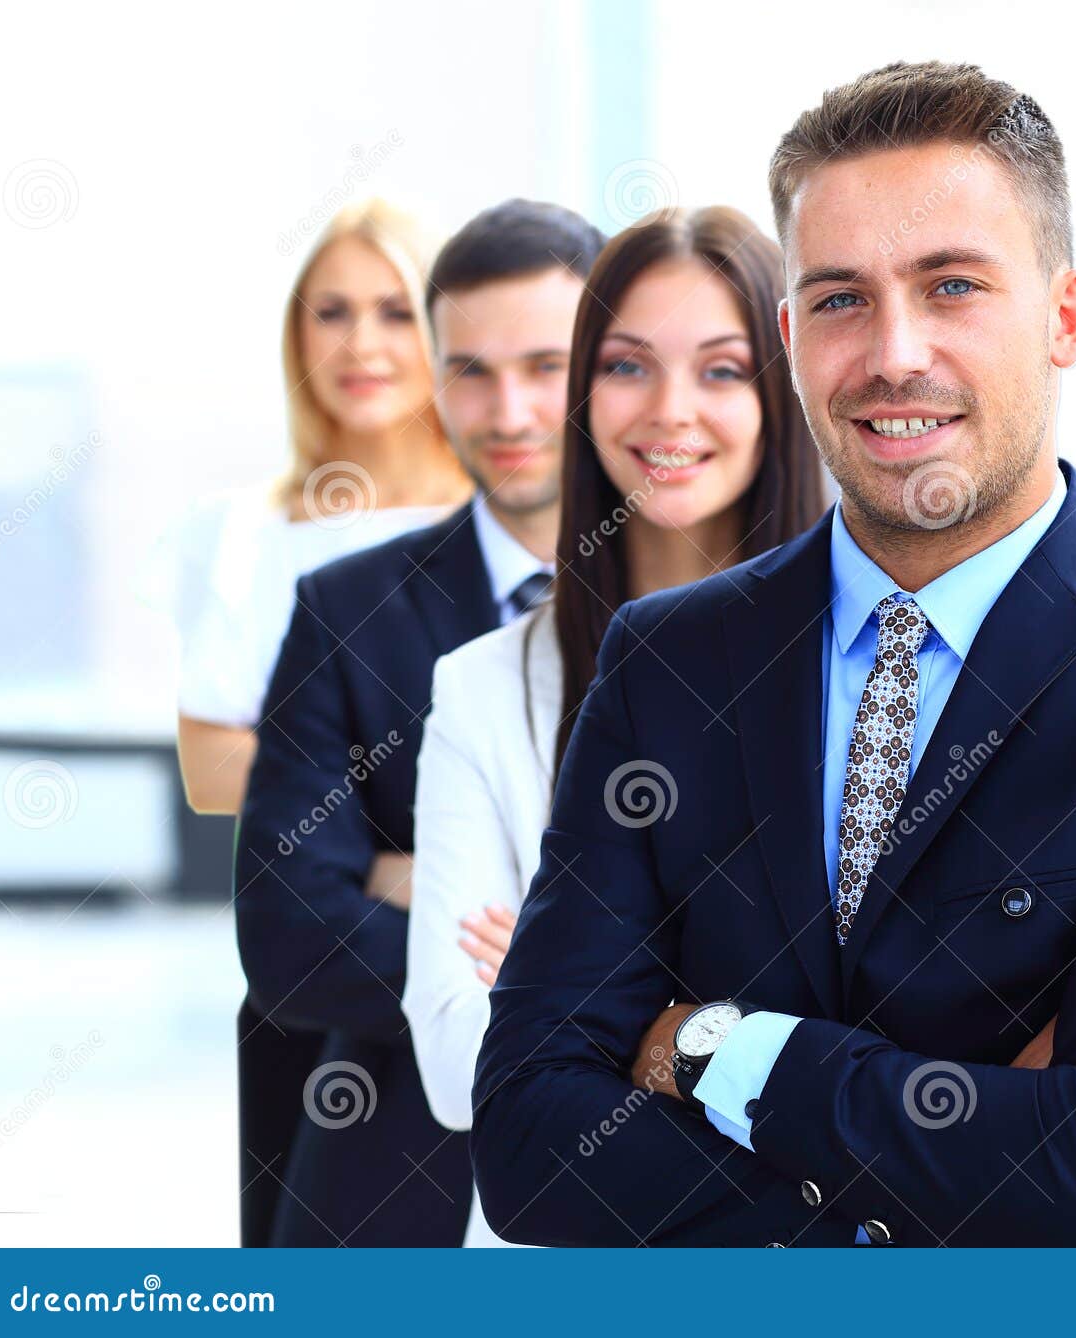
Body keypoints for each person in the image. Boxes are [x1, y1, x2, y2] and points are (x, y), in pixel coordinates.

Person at [471, 61, 1076, 1248]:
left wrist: (719, 1047)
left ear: (1064, 316)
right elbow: (528, 1150)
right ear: (787, 338)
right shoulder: (667, 662)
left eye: (953, 287)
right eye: (837, 300)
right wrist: (980, 1138)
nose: (892, 353)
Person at [401, 206, 827, 1246]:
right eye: (629, 367)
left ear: (782, 390)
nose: (670, 411)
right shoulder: (486, 687)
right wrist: (760, 1043)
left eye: (723, 370)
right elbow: (463, 1073)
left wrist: (585, 1005)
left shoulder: (869, 655)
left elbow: (930, 1045)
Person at [232, 199, 603, 1246]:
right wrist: (577, 961)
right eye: (470, 371)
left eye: (546, 365)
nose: (509, 410)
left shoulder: (706, 605)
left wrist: (429, 877)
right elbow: (286, 933)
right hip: (392, 1192)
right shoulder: (346, 612)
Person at [146, 198, 470, 1248]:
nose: (361, 344)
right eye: (330, 313)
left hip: (485, 954)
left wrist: (425, 856)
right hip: (321, 971)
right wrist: (364, 855)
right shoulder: (245, 534)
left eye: (392, 310)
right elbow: (208, 764)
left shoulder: (513, 521)